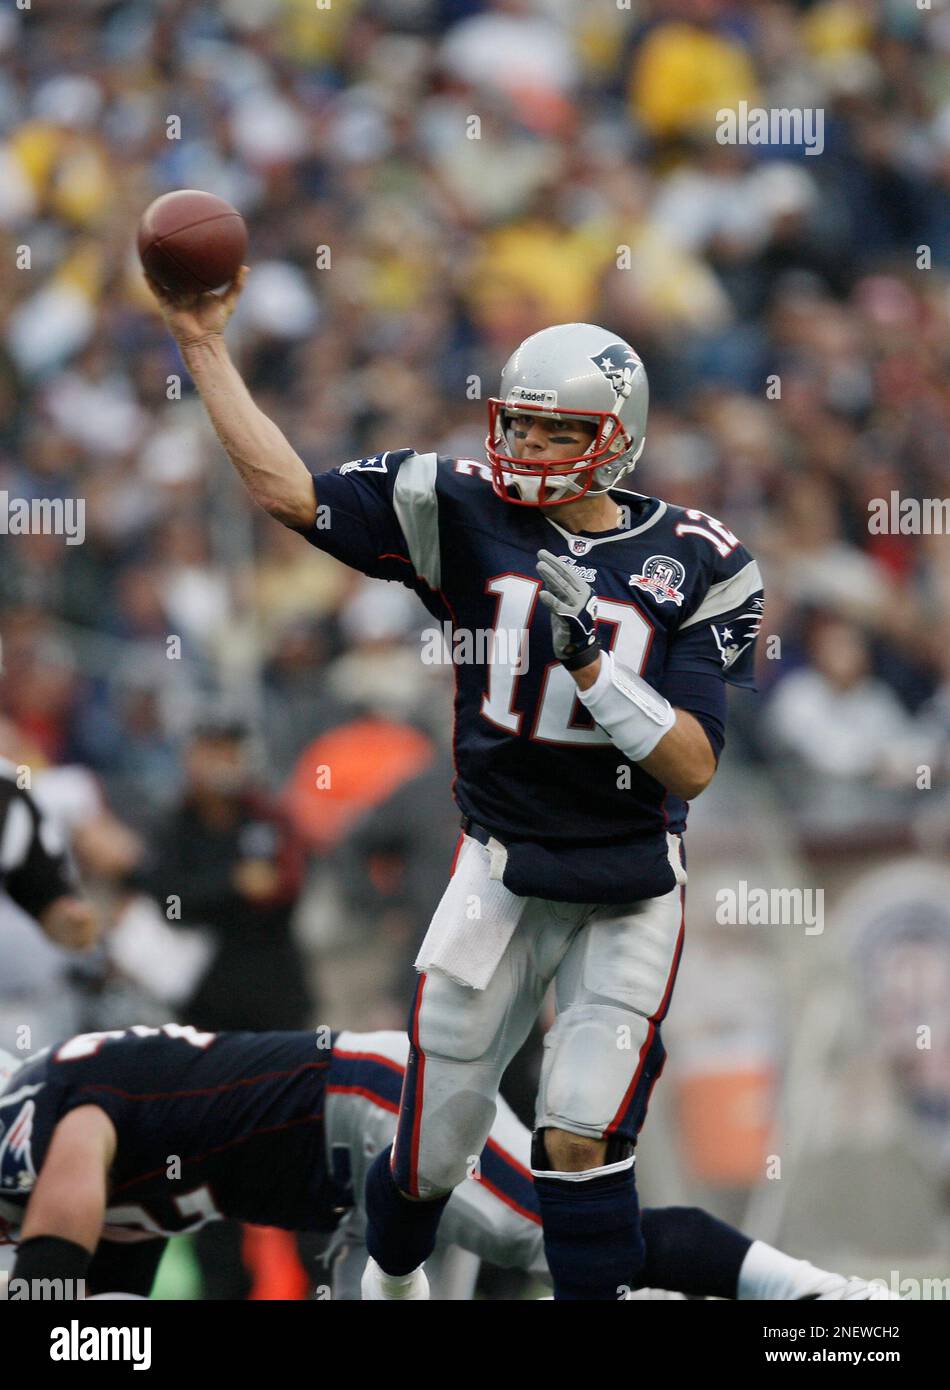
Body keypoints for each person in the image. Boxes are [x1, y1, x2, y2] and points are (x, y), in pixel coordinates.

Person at [147, 272, 765, 1300]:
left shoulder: (696, 560)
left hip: (629, 887)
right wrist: (202, 344)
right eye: (515, 426)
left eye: (552, 432)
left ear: (615, 439)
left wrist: (589, 671)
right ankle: (389, 1278)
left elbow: (692, 760)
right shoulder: (457, 508)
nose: (521, 450)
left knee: (579, 1132)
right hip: (501, 873)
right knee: (431, 1150)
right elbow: (286, 491)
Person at [0, 1026, 892, 1300]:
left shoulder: (43, 1129)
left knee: (544, 1233)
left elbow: (60, 1219)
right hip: (339, 1186)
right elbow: (101, 1327)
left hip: (361, 1105)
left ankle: (828, 1304)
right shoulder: (86, 1181)